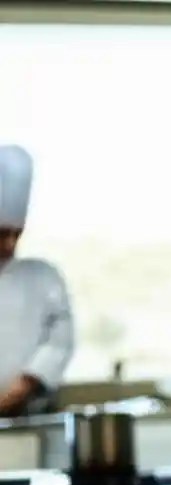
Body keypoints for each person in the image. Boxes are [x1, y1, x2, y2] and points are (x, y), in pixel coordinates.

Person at [0, 144, 74, 417]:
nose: (9, 245)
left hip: (32, 420)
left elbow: (59, 342)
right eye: (1, 234)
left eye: (16, 235)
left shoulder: (44, 278)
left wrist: (23, 386)